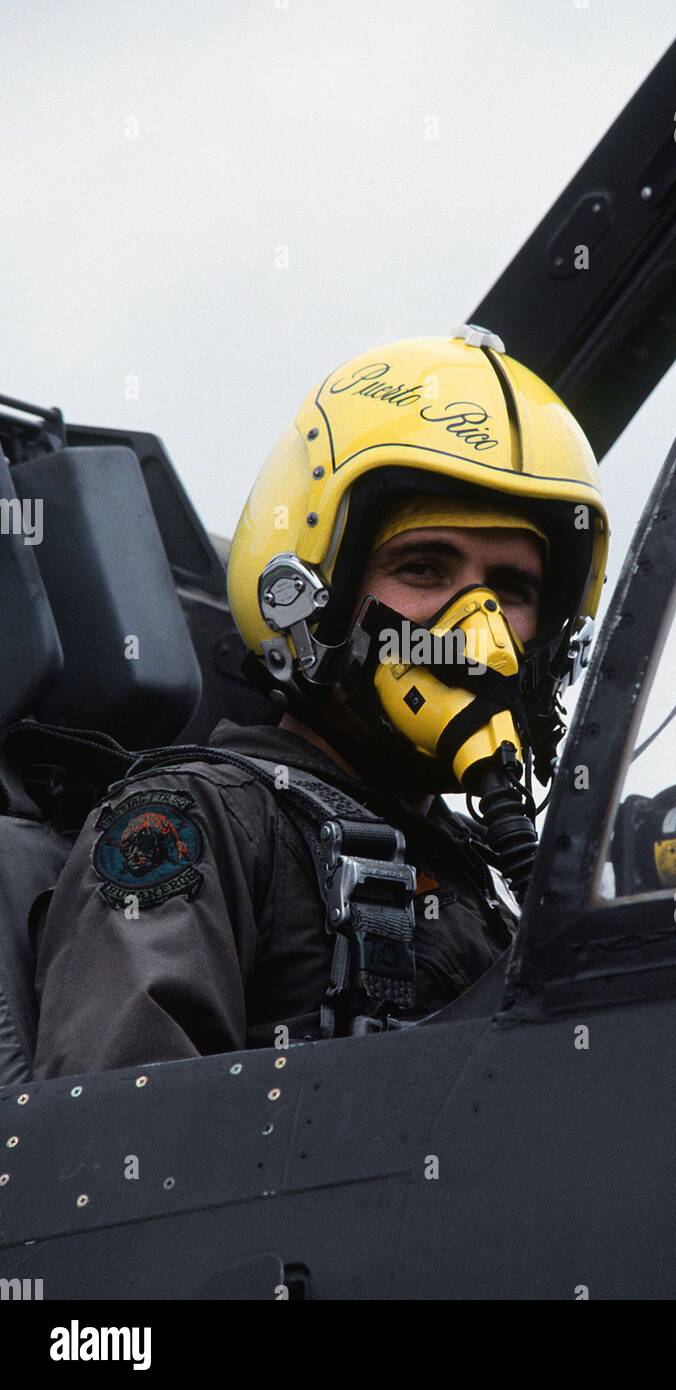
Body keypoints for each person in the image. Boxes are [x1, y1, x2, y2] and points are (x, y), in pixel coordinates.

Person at [32, 325, 608, 1078]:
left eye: (511, 590)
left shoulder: (495, 881)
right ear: (313, 594)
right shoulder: (203, 821)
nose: (476, 627)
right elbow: (120, 1151)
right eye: (425, 567)